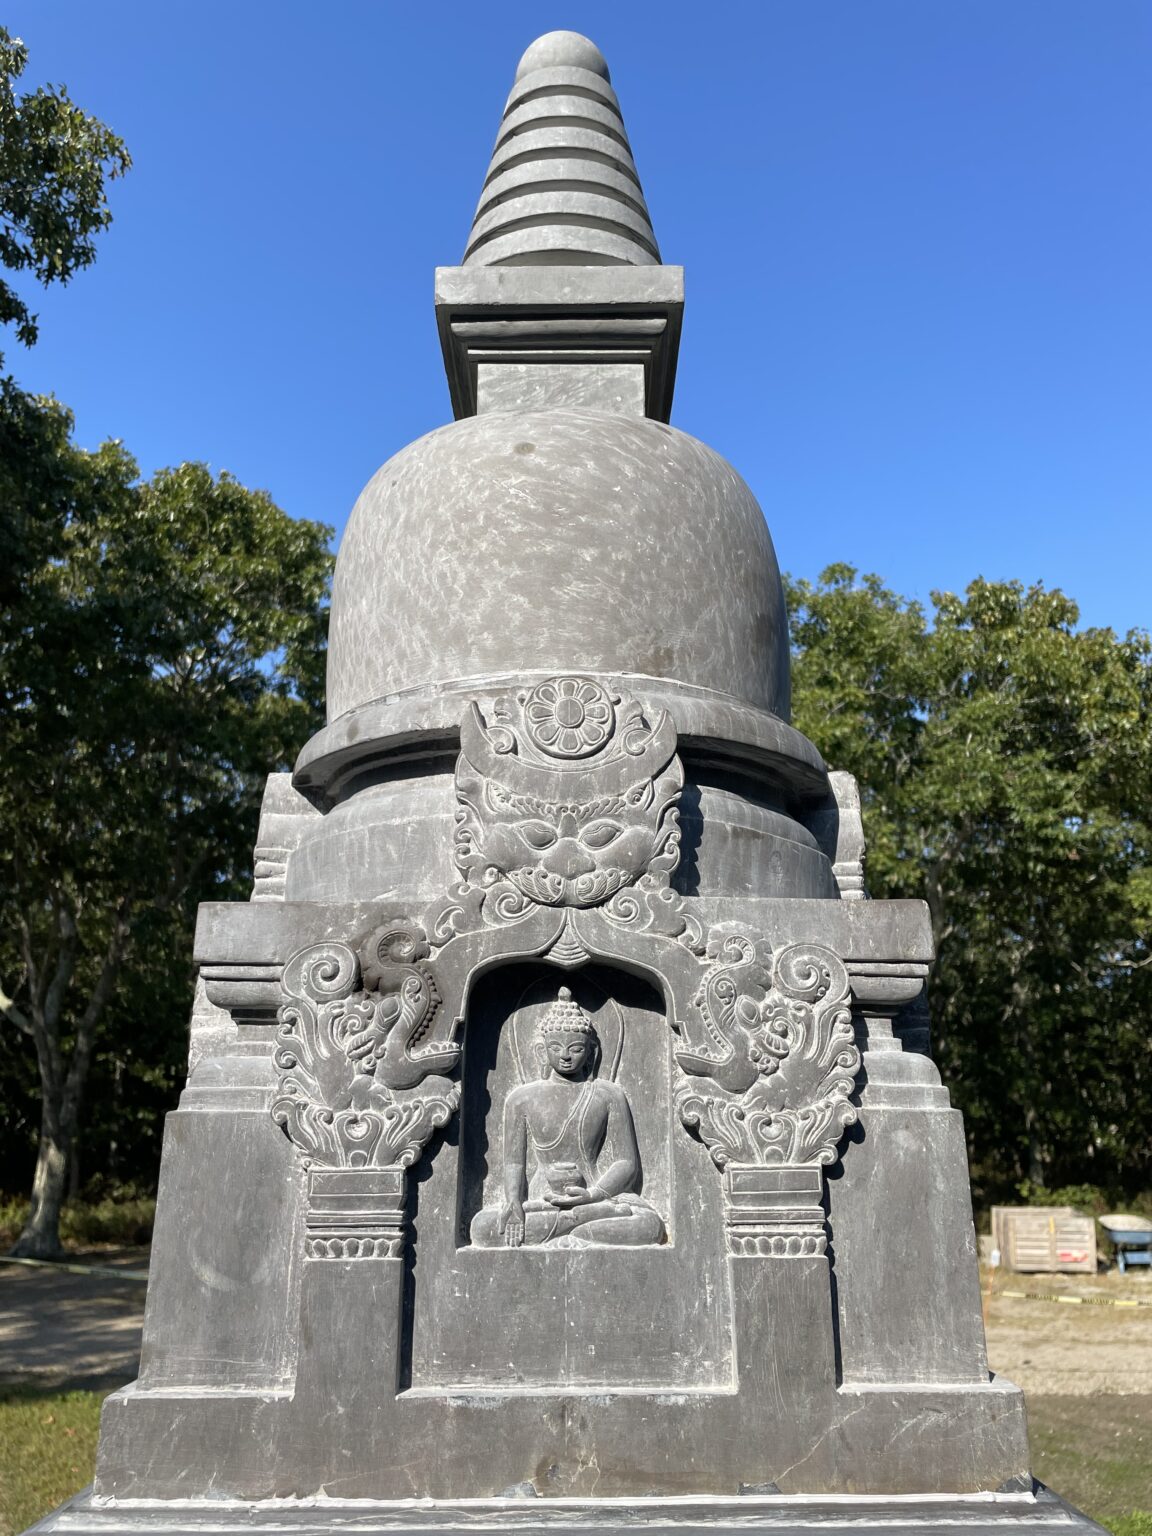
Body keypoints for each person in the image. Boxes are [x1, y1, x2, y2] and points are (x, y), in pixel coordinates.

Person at [470, 987, 665, 1248]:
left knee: (650, 1226)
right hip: (543, 1201)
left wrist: (593, 1195)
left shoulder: (608, 1094)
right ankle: (579, 1225)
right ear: (541, 1051)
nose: (565, 1056)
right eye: (555, 1047)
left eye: (575, 1048)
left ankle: (581, 1220)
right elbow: (514, 1164)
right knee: (482, 1228)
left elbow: (626, 1163)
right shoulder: (521, 1098)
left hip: (597, 1196)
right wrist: (514, 1203)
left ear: (591, 1052)